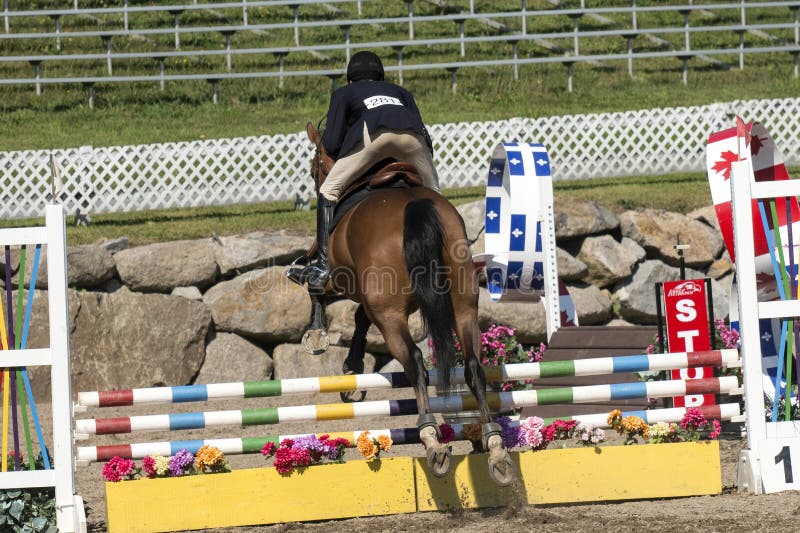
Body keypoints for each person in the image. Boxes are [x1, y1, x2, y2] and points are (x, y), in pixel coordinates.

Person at [303, 50, 440, 290]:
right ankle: (451, 255)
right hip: (413, 139)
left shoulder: (345, 93)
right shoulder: (401, 92)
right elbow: (426, 136)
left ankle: (323, 266)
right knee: (435, 195)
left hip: (375, 137)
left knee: (328, 190)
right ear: (381, 78)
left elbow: (332, 142)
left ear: (350, 80)